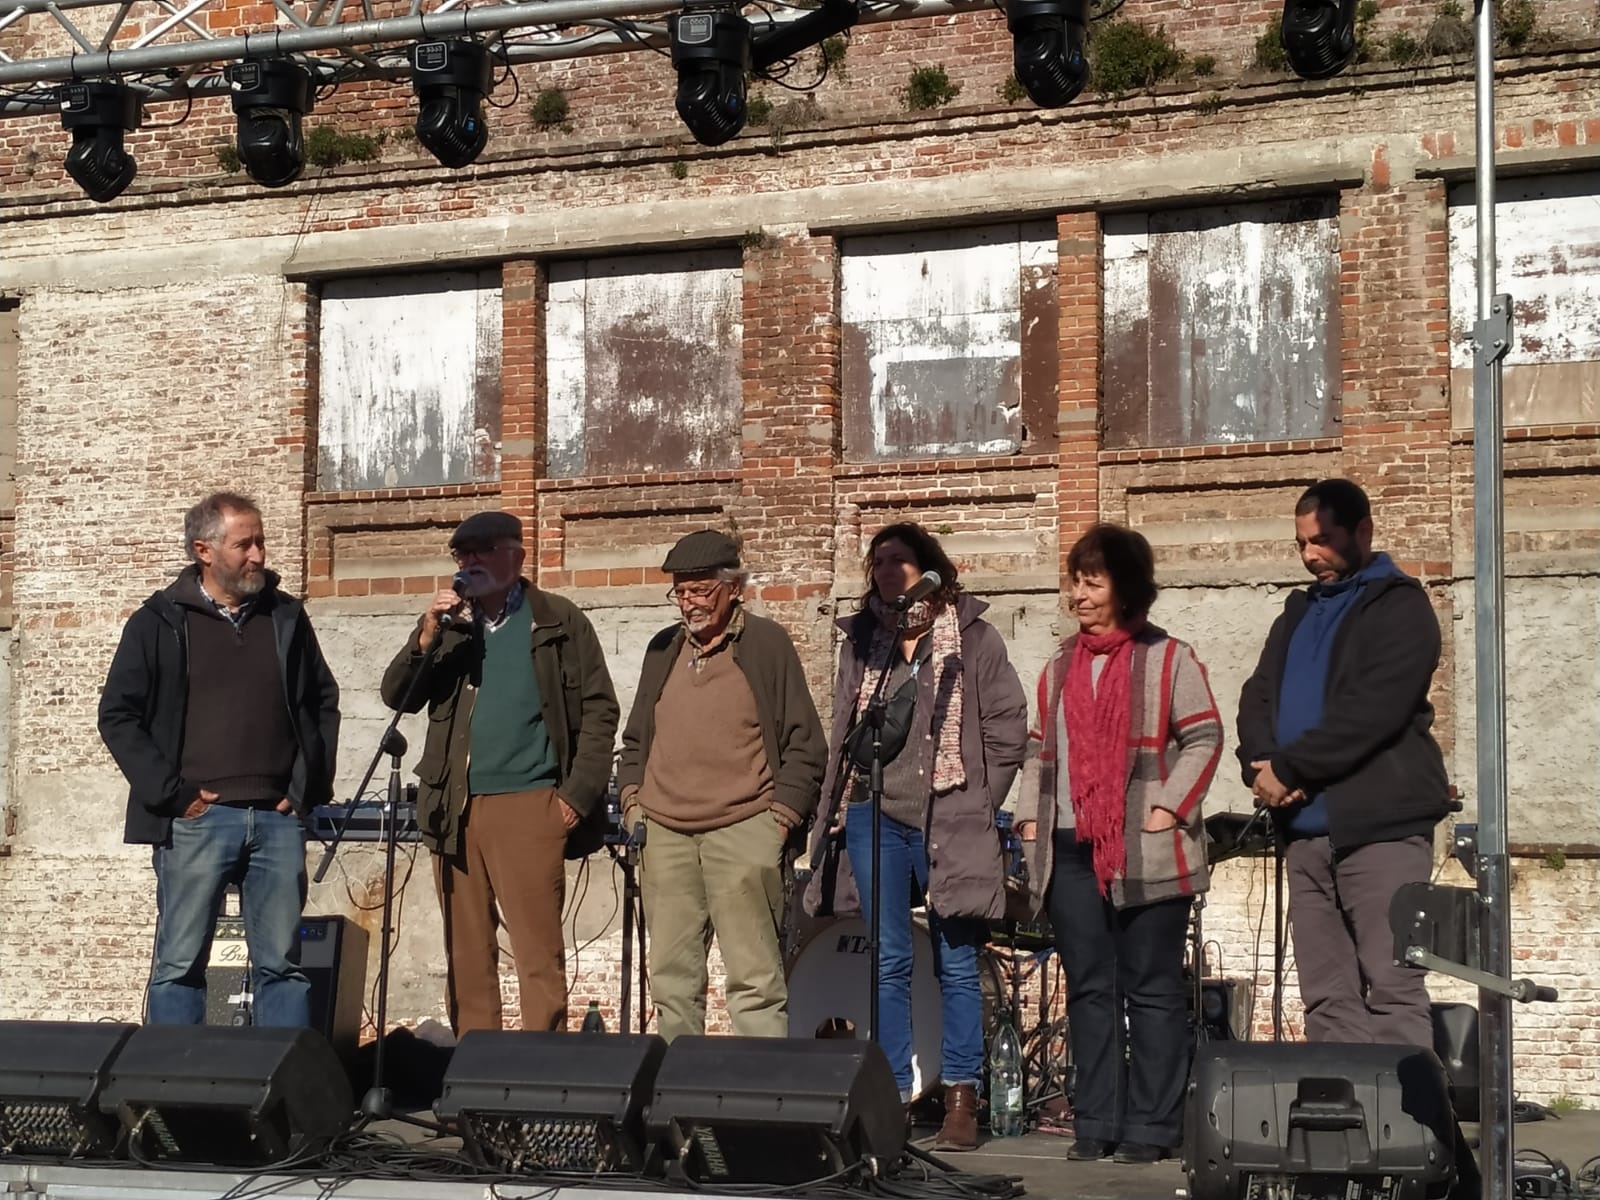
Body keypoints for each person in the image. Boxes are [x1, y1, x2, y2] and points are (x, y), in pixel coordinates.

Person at [804, 522, 1028, 1153]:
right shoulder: (863, 642)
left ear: (930, 568)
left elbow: (1009, 727)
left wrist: (980, 803)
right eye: (877, 561)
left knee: (956, 960)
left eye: (899, 560)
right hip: (875, 815)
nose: (886, 570)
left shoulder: (972, 638)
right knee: (889, 960)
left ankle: (960, 1097)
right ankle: (895, 1095)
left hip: (949, 818)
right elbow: (846, 727)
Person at [1014, 523, 1222, 1165]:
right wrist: (1029, 818)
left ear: (1125, 588)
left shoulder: (1169, 658)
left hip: (1146, 848)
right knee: (1089, 988)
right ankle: (1097, 1120)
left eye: (1092, 582)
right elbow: (1038, 749)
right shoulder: (1058, 666)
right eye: (1074, 582)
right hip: (1071, 849)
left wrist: (1167, 806)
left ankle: (1152, 1128)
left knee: (1153, 989)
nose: (1077, 595)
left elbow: (1205, 736)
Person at [99, 492, 340, 1027]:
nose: (258, 555)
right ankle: (175, 1078)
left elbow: (322, 701)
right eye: (243, 544)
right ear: (203, 550)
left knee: (282, 966)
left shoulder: (286, 616)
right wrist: (174, 796)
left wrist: (305, 789)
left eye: (261, 542)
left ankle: (282, 1079)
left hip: (276, 820)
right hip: (196, 821)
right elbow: (117, 715)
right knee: (179, 966)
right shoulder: (158, 621)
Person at [381, 510, 619, 1035]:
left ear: (517, 555)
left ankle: (541, 1069)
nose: (470, 562)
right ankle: (475, 1069)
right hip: (455, 808)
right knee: (467, 955)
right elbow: (399, 696)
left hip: (532, 803)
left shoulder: (556, 620)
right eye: (462, 554)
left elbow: (600, 710)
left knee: (537, 954)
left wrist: (574, 797)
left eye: (483, 551)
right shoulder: (450, 628)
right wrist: (425, 636)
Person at [1236, 479, 1450, 1048]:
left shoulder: (1400, 606)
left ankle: (1405, 1108)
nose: (1311, 555)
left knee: (1394, 986)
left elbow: (1375, 710)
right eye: (1302, 544)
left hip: (1380, 830)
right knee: (1326, 996)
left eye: (1323, 541)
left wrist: (1293, 769)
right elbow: (1258, 695)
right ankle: (1341, 1106)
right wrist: (1261, 765)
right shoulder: (1298, 611)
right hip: (1305, 835)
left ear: (1363, 531)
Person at [616, 529, 827, 1043]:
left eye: (700, 590)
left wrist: (780, 820)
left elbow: (806, 743)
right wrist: (632, 802)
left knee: (755, 983)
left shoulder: (767, 644)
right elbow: (637, 736)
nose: (688, 602)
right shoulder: (662, 648)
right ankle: (677, 1092)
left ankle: (759, 1090)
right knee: (671, 981)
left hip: (745, 828)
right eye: (680, 591)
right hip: (664, 833)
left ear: (734, 588)